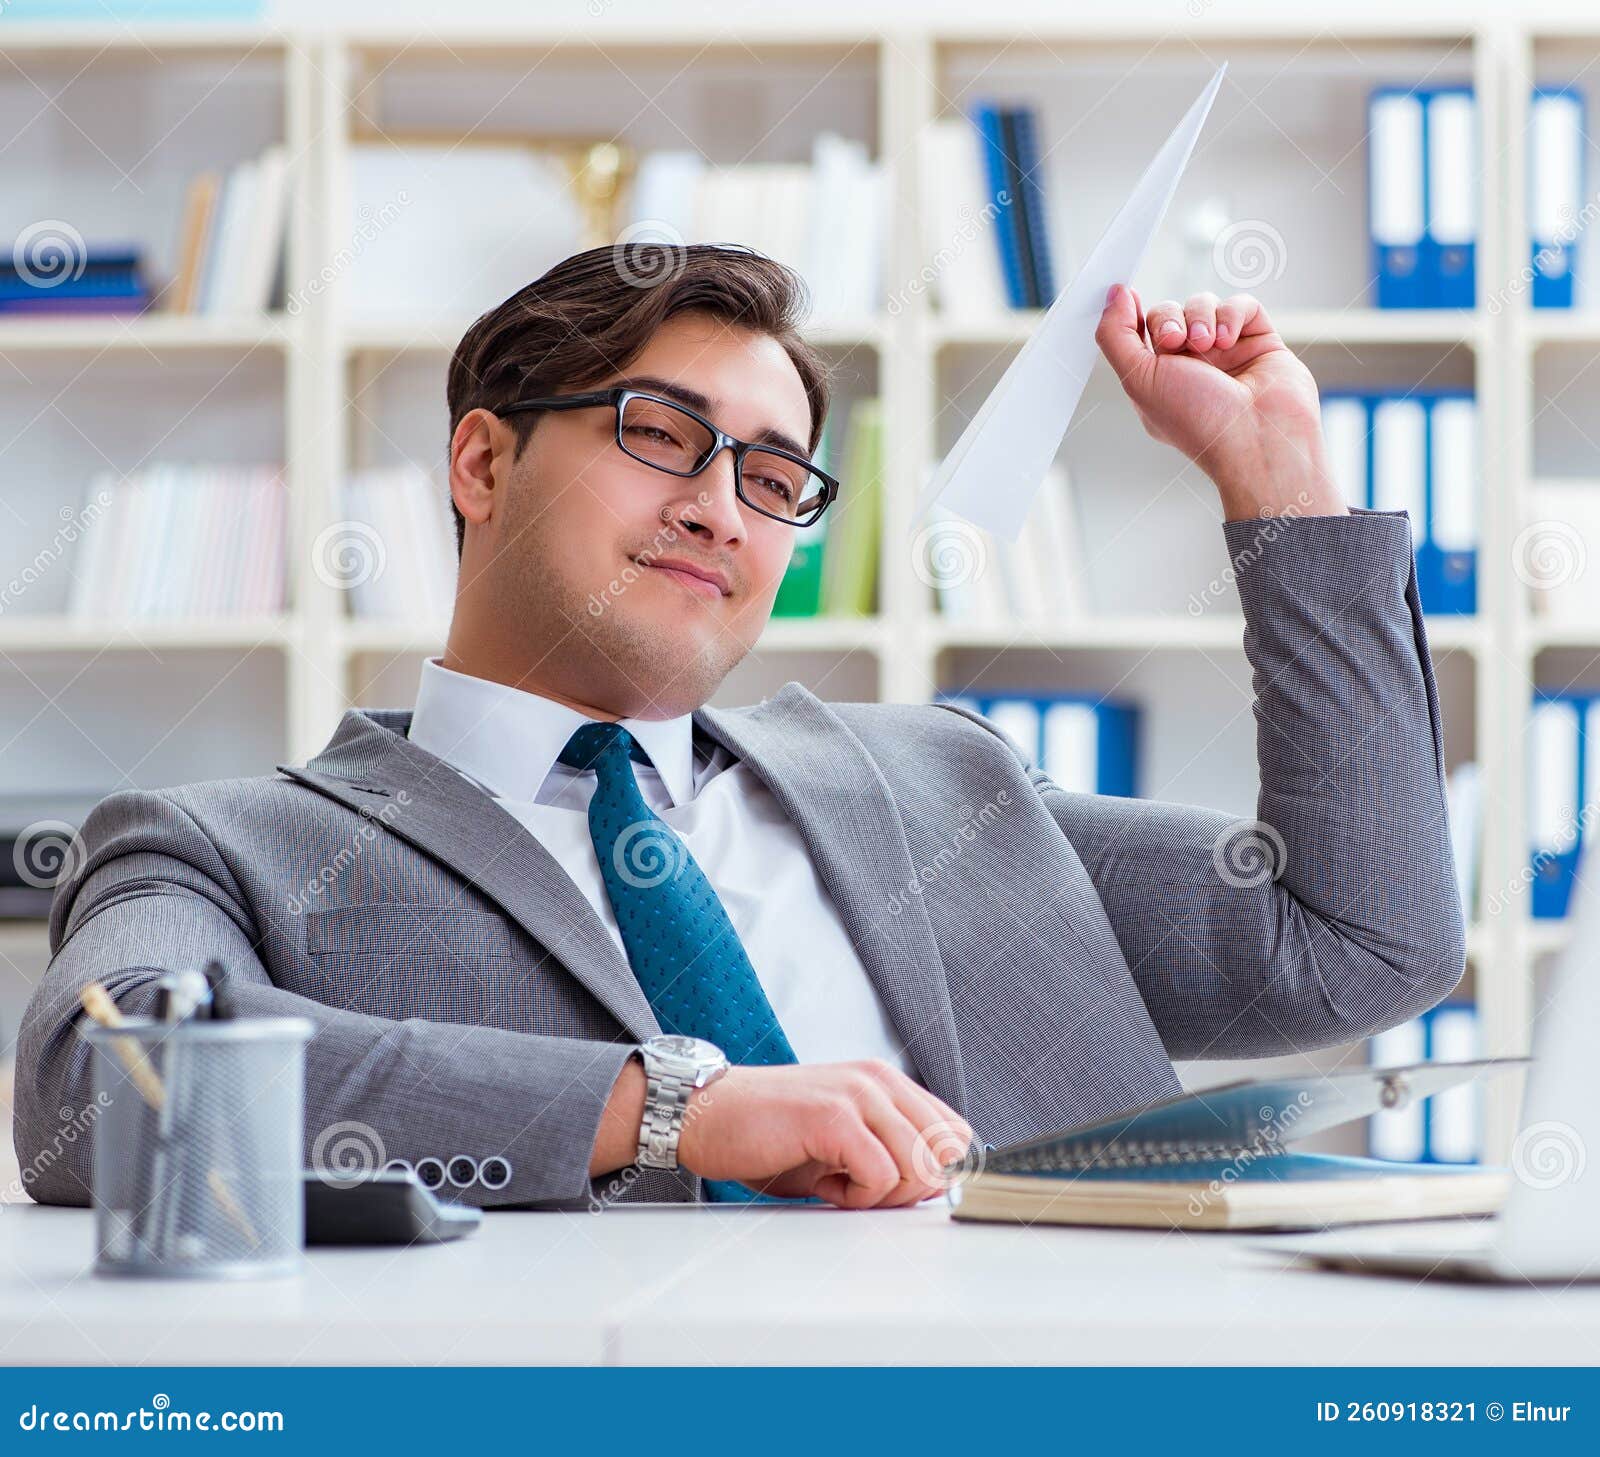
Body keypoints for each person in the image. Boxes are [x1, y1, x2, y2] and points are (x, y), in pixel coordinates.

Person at [14, 243, 1463, 1211]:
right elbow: (106, 1080)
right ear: (480, 459)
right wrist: (665, 1107)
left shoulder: (941, 777)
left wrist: (1281, 492)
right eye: (661, 431)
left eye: (775, 477)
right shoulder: (236, 845)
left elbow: (1361, 940)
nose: (720, 503)